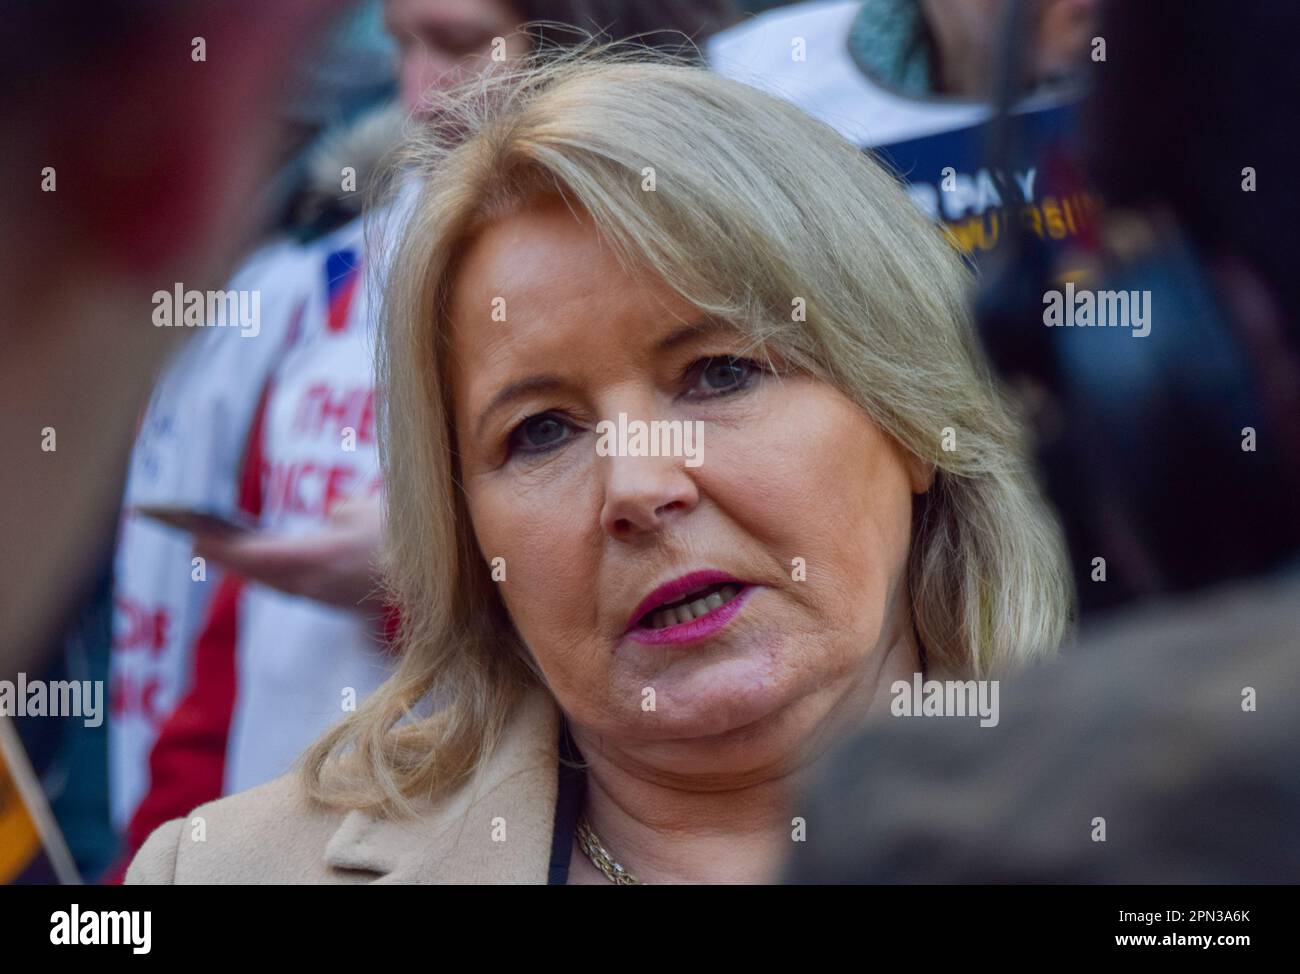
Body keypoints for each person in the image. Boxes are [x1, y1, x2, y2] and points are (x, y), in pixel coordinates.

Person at [127, 50, 1071, 885]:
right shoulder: (212, 875)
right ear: (464, 533)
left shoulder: (1187, 830)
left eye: (719, 374)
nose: (637, 488)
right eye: (540, 432)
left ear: (910, 417)